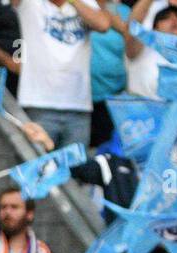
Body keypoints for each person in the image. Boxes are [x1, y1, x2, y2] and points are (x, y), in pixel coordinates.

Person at [10, 0, 112, 150]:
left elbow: (103, 24)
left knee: (76, 169)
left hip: (79, 107)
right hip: (38, 104)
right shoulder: (31, 3)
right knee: (42, 168)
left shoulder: (84, 3)